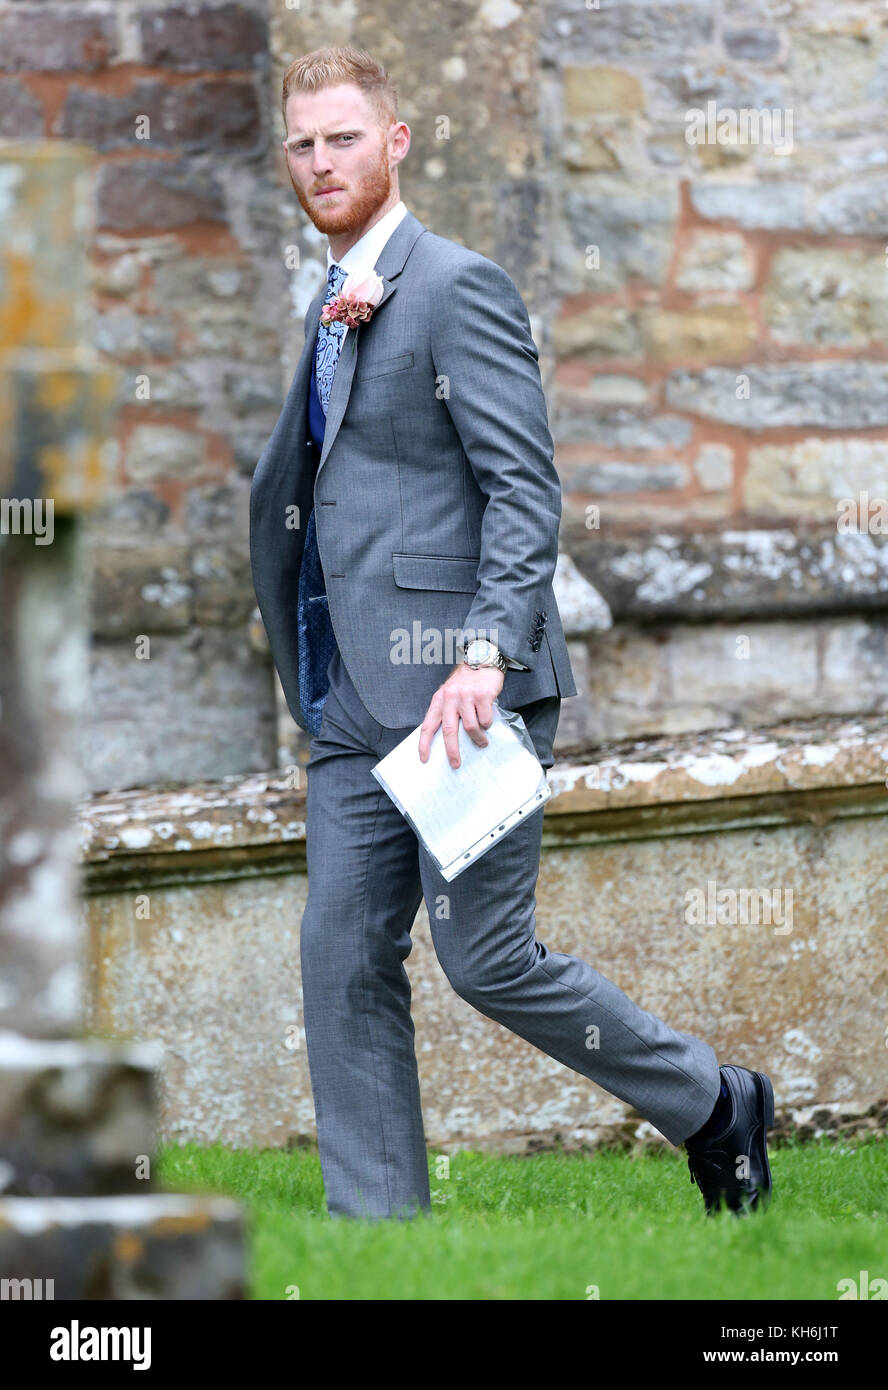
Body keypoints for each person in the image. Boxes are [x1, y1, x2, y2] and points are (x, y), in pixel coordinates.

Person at [249, 44, 774, 1221]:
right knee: (339, 958)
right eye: (302, 143)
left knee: (487, 960)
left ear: (396, 142)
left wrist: (485, 650)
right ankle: (379, 1229)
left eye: (345, 137)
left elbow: (525, 489)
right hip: (348, 700)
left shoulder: (455, 285)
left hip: (460, 688)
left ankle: (715, 1102)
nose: (322, 161)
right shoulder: (326, 306)